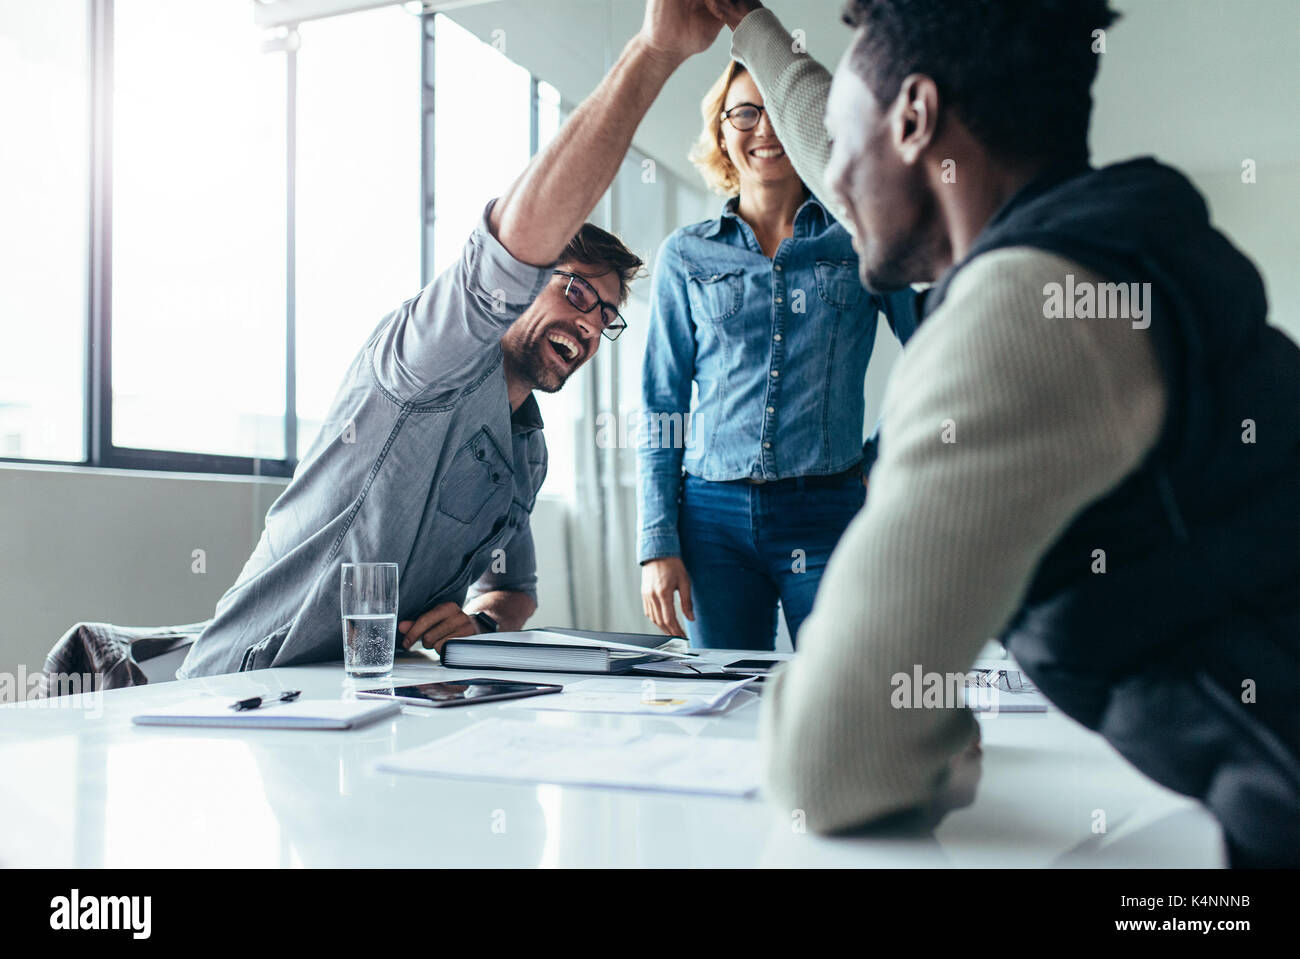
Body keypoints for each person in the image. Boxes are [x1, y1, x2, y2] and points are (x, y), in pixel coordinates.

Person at [720, 0, 1299, 868]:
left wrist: (925, 735)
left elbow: (834, 766)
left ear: (914, 118)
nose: (828, 180)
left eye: (842, 147)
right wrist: (748, 24)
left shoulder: (1025, 312)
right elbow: (845, 152)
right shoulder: (1113, 253)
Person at [178, 0, 725, 678]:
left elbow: (515, 591)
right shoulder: (430, 358)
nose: (588, 324)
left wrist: (481, 620)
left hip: (372, 698)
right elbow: (504, 255)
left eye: (604, 316)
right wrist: (654, 52)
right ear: (530, 283)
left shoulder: (528, 450)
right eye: (575, 291)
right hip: (248, 689)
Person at [637, 49, 914, 650]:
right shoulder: (686, 256)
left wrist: (883, 457)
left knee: (843, 691)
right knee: (726, 704)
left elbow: (936, 349)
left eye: (779, 113)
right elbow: (662, 404)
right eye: (744, 114)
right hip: (709, 522)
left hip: (830, 515)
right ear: (722, 132)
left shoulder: (863, 239)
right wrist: (657, 542)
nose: (764, 129)